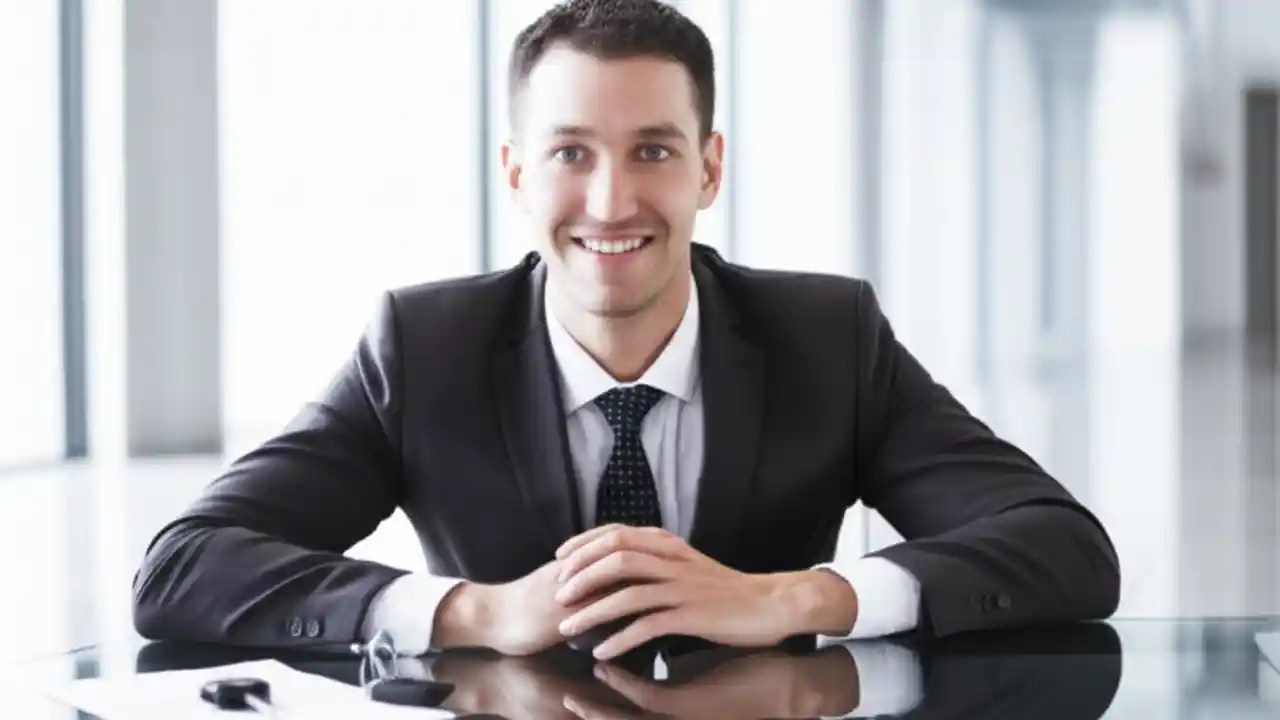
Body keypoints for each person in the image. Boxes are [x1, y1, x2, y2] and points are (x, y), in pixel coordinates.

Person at [132, 0, 1120, 662]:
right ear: (517, 173)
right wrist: (474, 611)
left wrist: (789, 598)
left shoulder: (826, 336)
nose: (610, 201)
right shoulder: (422, 346)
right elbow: (184, 565)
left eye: (652, 149)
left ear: (708, 168)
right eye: (570, 151)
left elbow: (1063, 549)